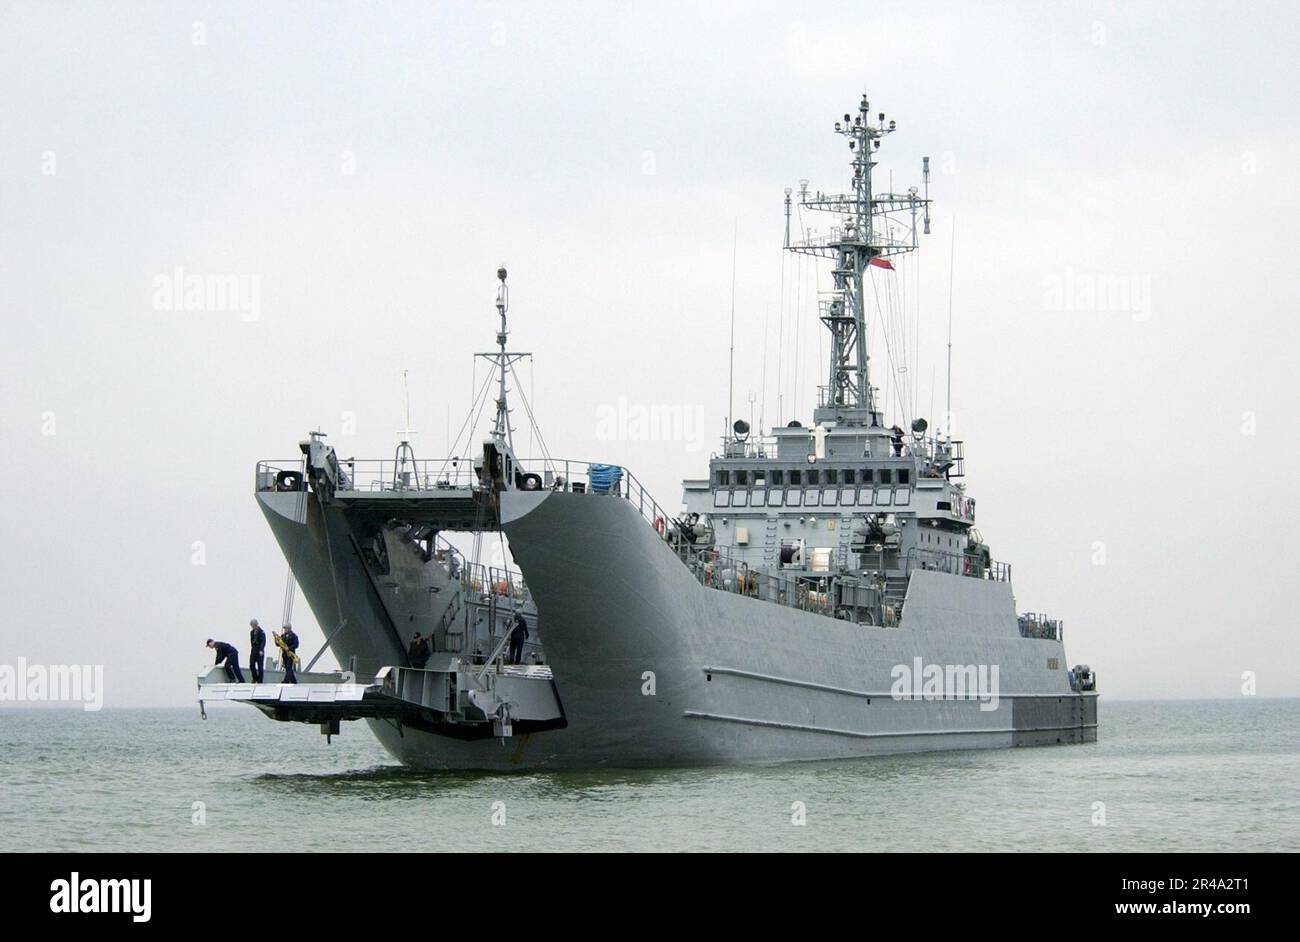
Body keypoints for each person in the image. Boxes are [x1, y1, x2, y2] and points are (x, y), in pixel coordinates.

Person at [248, 619, 266, 683]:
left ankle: (260, 680)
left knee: (260, 666)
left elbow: (263, 642)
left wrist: (261, 650)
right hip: (254, 650)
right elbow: (251, 641)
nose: (252, 626)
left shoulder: (261, 632)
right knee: (251, 665)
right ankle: (255, 677)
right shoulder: (252, 632)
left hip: (259, 650)